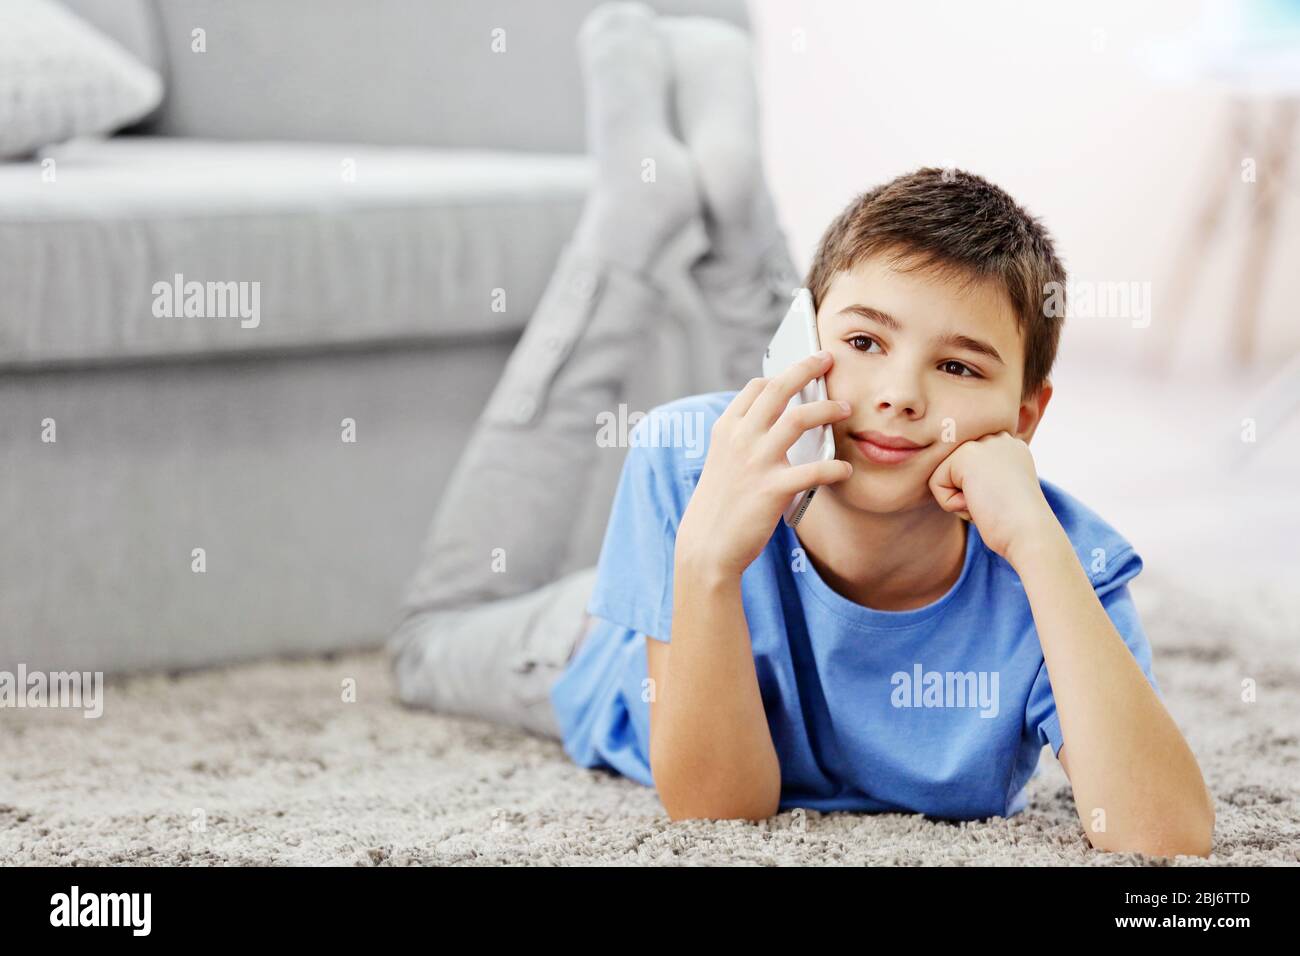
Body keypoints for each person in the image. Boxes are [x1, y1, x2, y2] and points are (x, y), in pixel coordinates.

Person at [390, 4, 1215, 857]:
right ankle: (631, 224)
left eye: (959, 367)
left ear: (1025, 417)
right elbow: (715, 811)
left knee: (839, 377)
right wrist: (704, 564)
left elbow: (1164, 838)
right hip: (610, 641)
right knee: (428, 641)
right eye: (864, 344)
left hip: (752, 540)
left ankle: (732, 205)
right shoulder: (688, 458)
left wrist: (1039, 550)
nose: (899, 398)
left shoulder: (1057, 560)